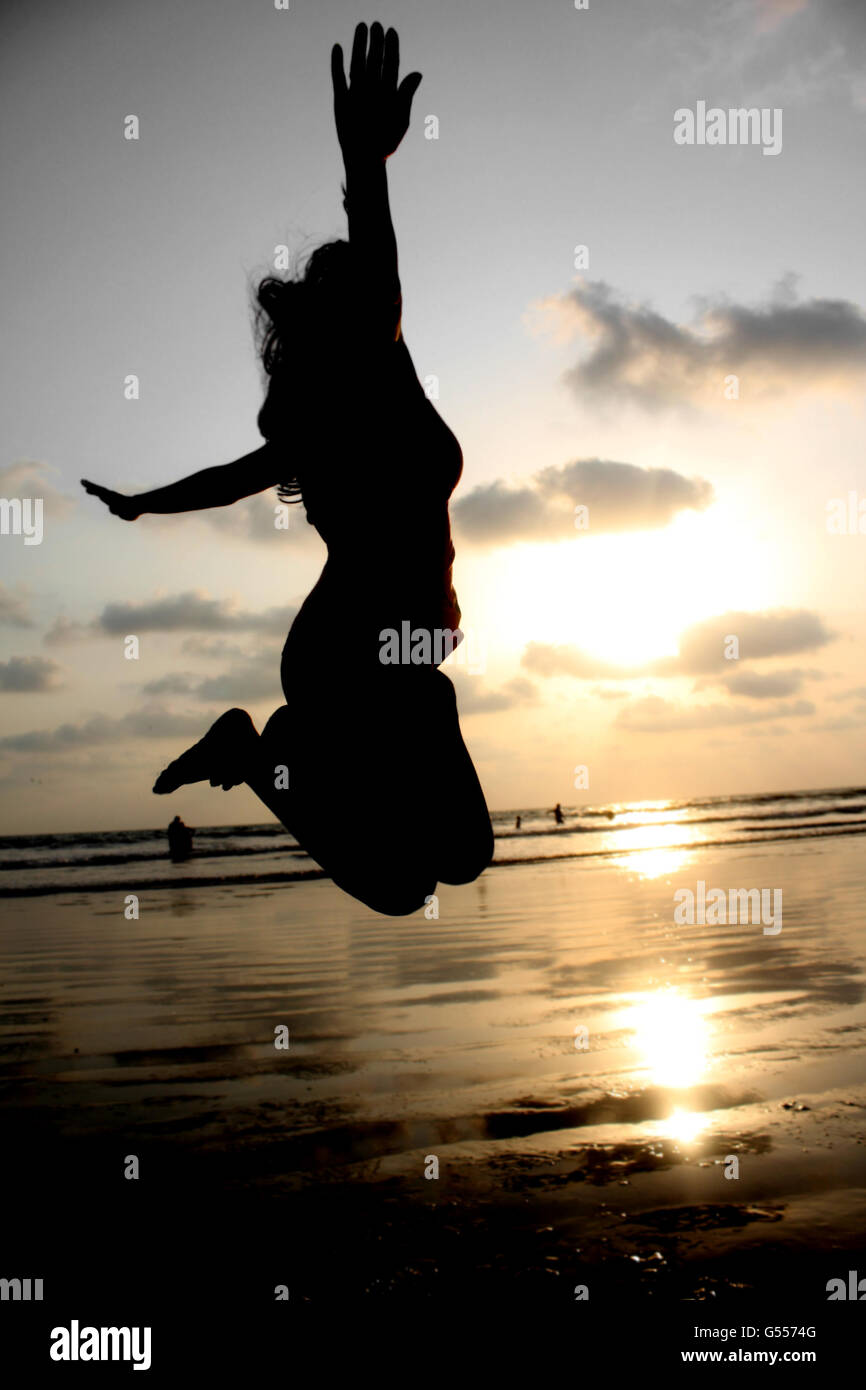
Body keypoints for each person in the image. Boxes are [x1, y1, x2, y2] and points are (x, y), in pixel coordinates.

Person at [81, 23, 493, 916]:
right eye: (364, 302)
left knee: (463, 859)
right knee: (397, 885)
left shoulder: (399, 386)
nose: (387, 310)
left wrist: (147, 505)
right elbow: (231, 477)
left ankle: (360, 731)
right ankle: (253, 754)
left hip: (417, 652)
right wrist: (366, 164)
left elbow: (377, 287)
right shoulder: (327, 420)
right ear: (339, 329)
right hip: (342, 659)